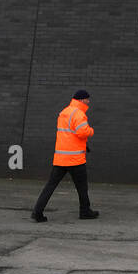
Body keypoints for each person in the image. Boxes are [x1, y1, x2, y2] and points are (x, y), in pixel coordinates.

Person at [31, 90, 99, 221]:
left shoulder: (64, 112)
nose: (89, 101)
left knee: (50, 186)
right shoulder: (79, 114)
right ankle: (85, 212)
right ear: (82, 100)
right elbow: (82, 132)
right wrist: (91, 131)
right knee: (82, 188)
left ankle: (37, 212)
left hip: (61, 158)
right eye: (87, 99)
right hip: (75, 159)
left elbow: (68, 134)